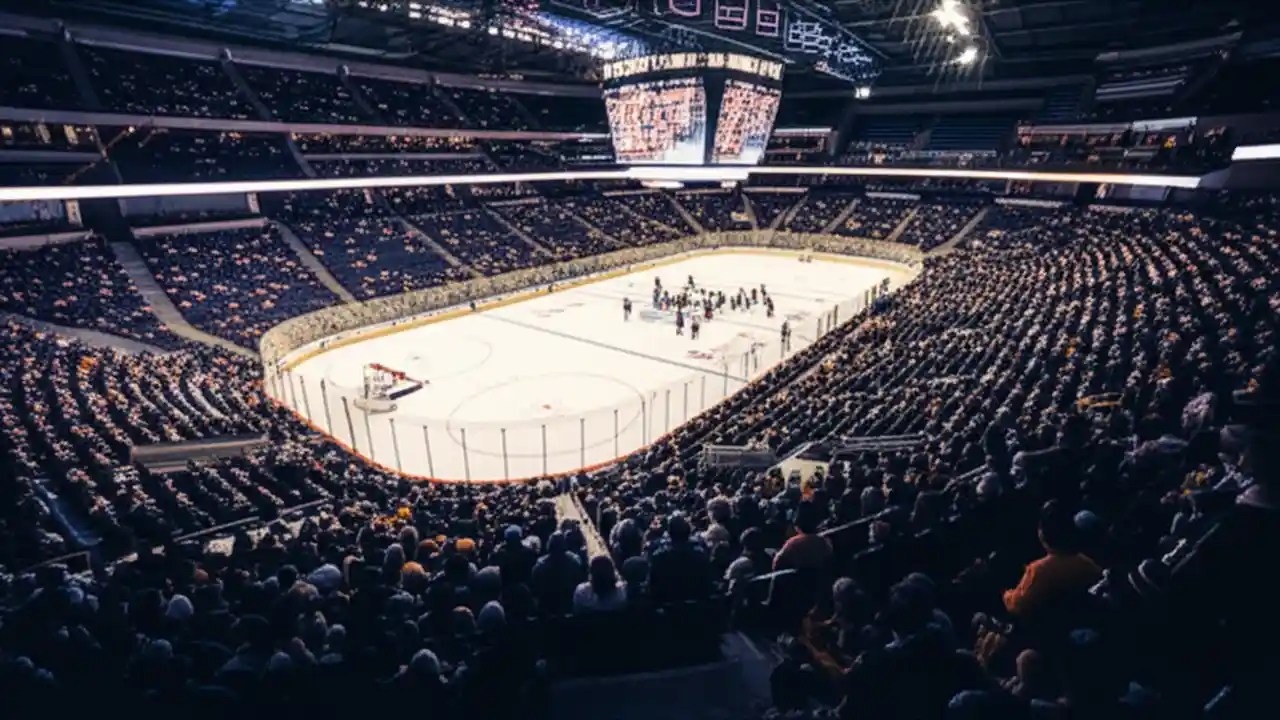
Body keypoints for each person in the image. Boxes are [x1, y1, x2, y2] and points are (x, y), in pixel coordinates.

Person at [1002, 500, 1103, 619]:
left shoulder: (1040, 571)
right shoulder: (1086, 563)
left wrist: (1005, 594)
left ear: (1042, 533)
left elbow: (1017, 606)